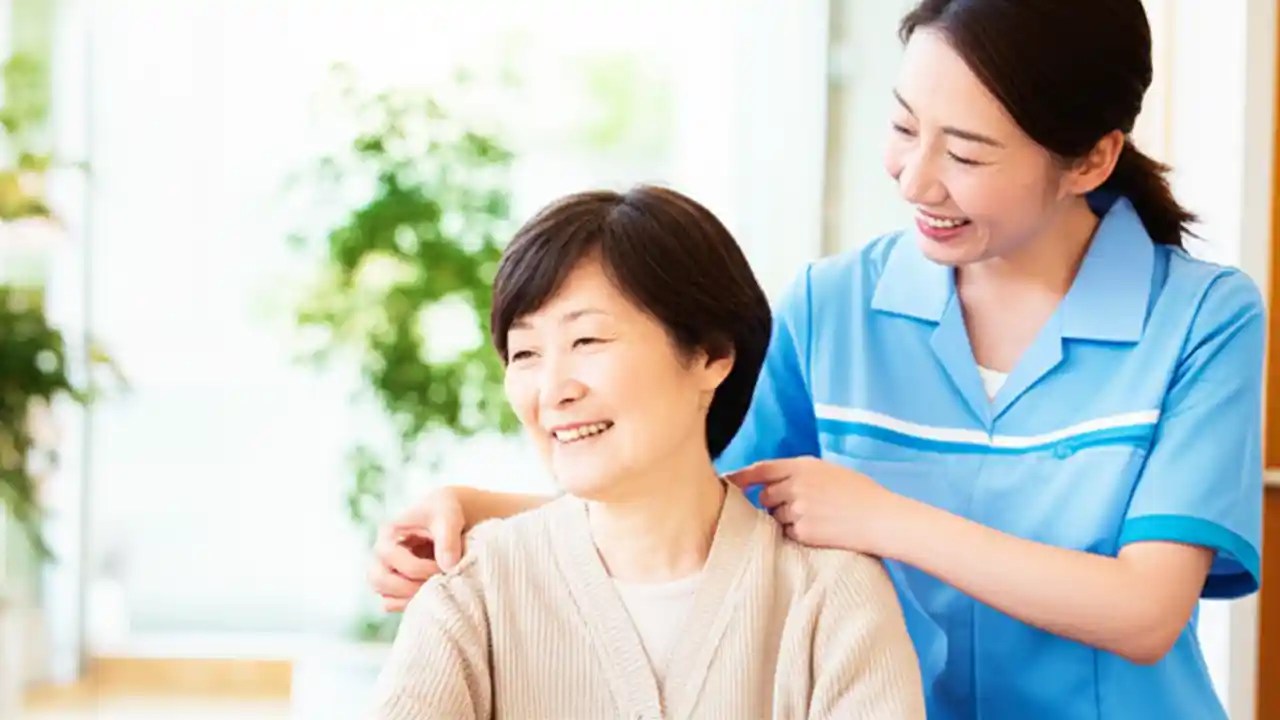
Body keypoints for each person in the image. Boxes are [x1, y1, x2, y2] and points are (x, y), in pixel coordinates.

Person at [369, 1, 1265, 717]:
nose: (914, 177)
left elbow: (1145, 610)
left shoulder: (1200, 319)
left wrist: (884, 518)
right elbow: (704, 509)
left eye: (966, 152)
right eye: (904, 126)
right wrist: (482, 513)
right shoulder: (833, 307)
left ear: (1091, 159)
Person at [368, 186, 928, 719]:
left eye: (587, 340)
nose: (553, 390)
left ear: (710, 355)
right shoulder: (471, 591)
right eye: (525, 353)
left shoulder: (831, 597)